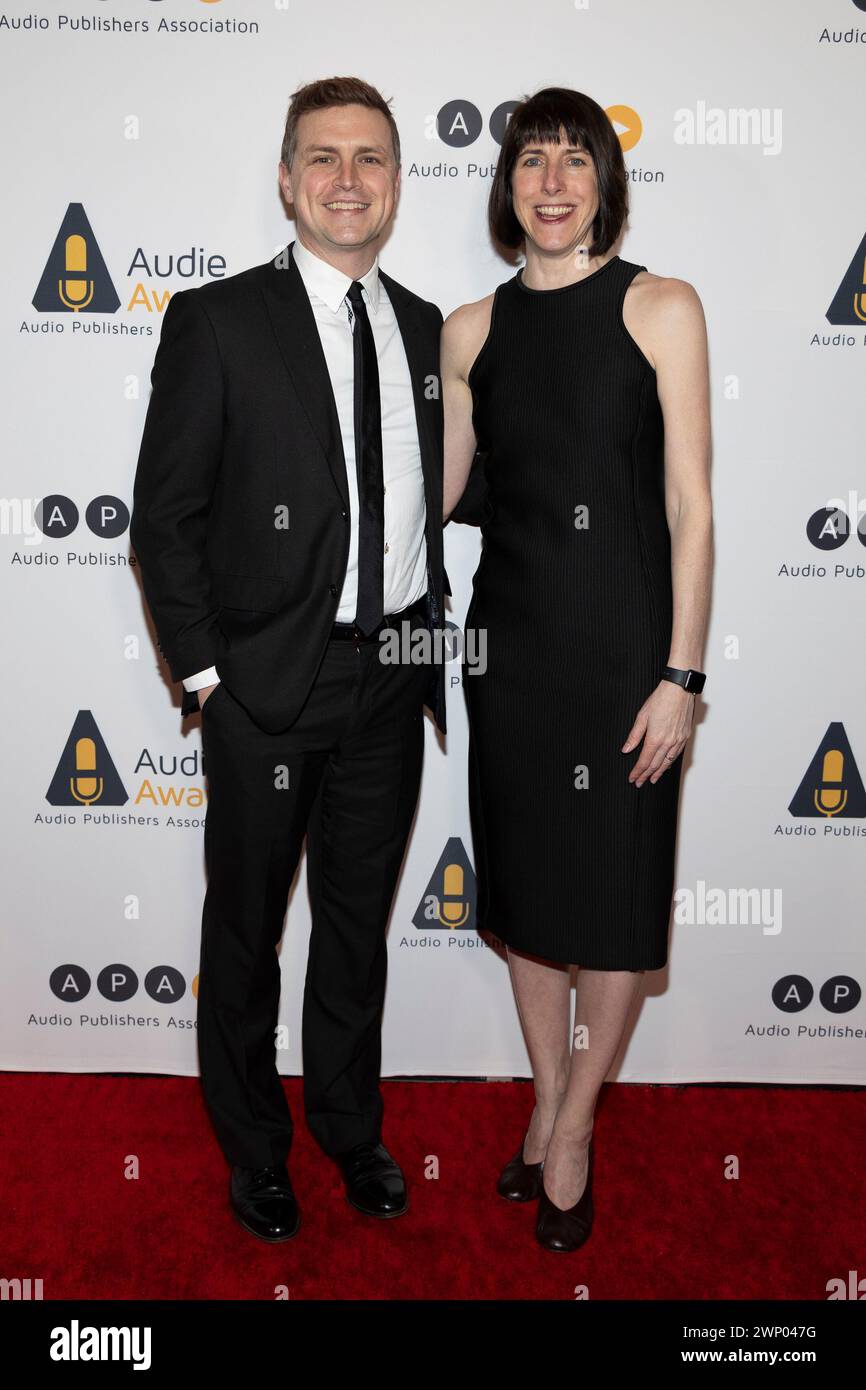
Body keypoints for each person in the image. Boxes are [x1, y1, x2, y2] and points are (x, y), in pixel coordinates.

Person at [130, 76, 448, 1242]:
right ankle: (255, 1150)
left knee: (357, 924)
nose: (348, 179)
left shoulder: (423, 326)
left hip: (390, 678)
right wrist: (206, 675)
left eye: (370, 158)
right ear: (285, 177)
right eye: (324, 158)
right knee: (248, 930)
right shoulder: (216, 320)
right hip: (267, 687)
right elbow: (162, 515)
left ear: (398, 182)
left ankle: (349, 1130)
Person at [442, 87, 712, 1252]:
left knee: (606, 913)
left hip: (623, 668)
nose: (550, 183)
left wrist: (681, 676)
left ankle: (576, 1124)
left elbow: (692, 507)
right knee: (533, 911)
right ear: (504, 190)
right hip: (509, 661)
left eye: (572, 161)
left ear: (604, 180)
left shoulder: (660, 308)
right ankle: (548, 1097)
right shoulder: (466, 330)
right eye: (529, 164)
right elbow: (436, 496)